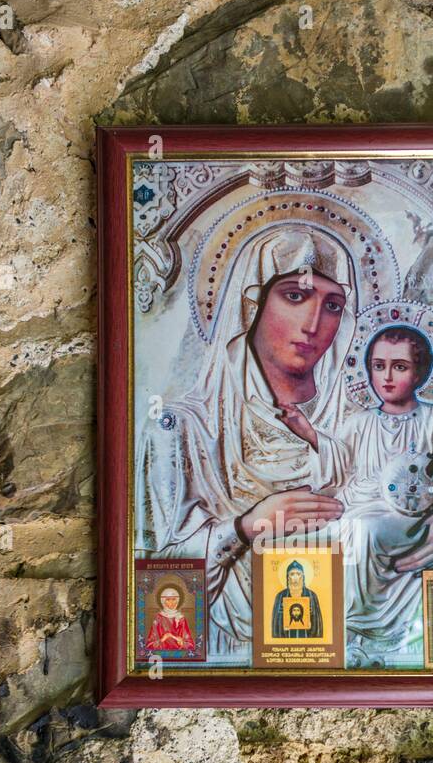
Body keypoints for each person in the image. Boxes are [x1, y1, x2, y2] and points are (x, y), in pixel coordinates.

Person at [135, 229, 353, 663]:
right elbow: (157, 582)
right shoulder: (179, 430)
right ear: (251, 305)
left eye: (332, 306)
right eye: (294, 296)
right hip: (224, 655)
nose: (314, 324)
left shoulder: (355, 427)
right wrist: (245, 527)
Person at [280, 325, 433, 663]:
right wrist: (308, 433)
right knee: (323, 536)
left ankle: (360, 622)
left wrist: (429, 469)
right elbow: (338, 464)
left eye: (400, 367)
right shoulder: (360, 422)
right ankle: (331, 628)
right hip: (359, 506)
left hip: (407, 517)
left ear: (420, 373)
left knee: (365, 532)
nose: (387, 376)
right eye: (379, 366)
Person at [271, 560, 323, 638]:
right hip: (285, 645)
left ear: (303, 577)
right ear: (287, 577)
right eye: (292, 574)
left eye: (298, 574)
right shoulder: (280, 596)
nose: (295, 578)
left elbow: (318, 623)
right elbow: (275, 623)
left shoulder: (312, 596)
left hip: (308, 643)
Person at [145, 585, 195, 652]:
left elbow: (190, 645)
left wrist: (181, 642)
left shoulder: (181, 619)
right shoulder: (158, 619)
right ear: (163, 601)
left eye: (174, 599)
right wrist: (163, 639)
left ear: (177, 600)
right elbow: (149, 646)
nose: (171, 602)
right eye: (168, 599)